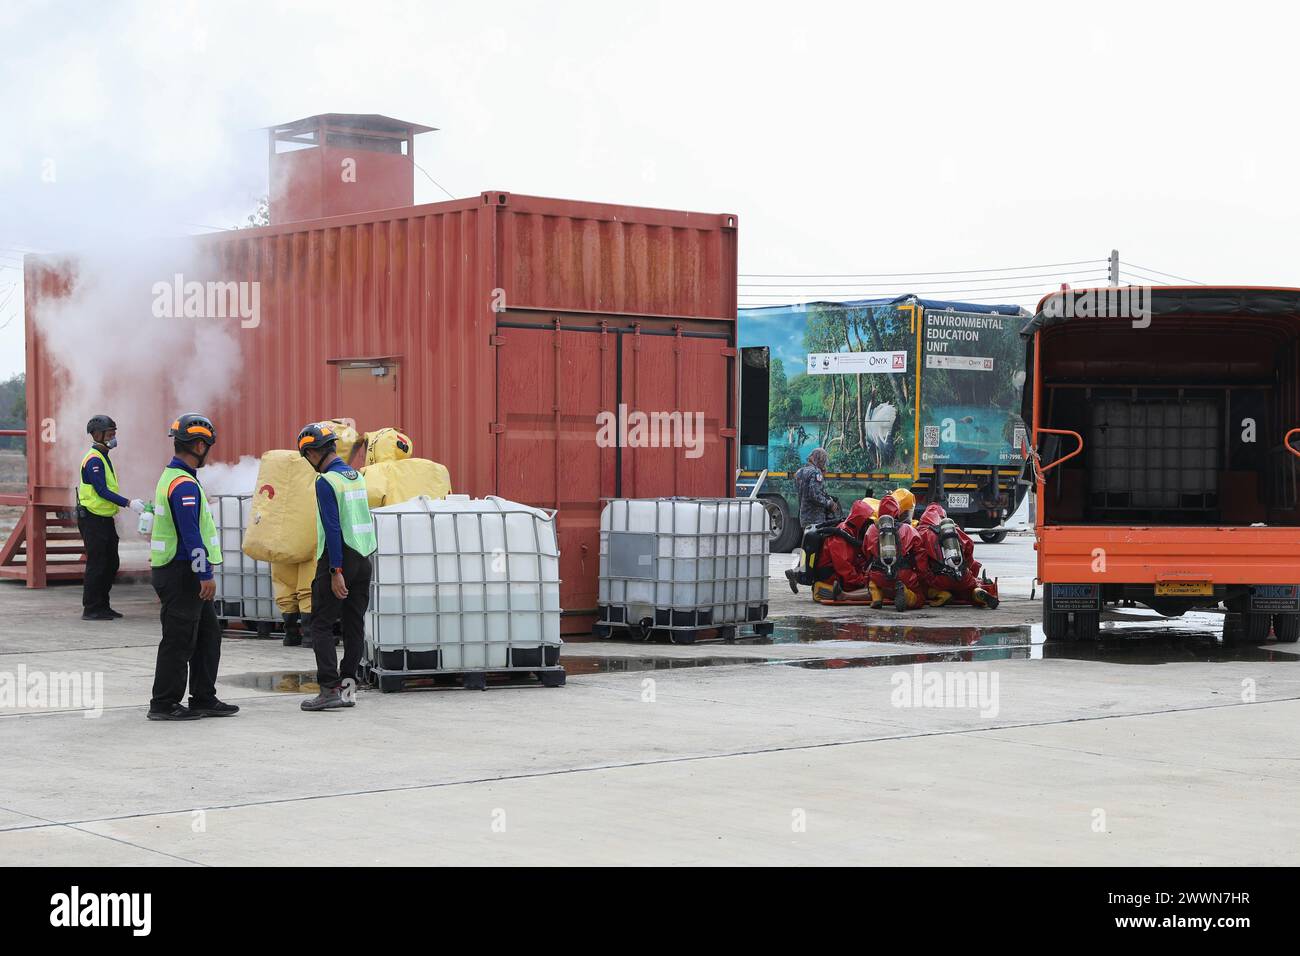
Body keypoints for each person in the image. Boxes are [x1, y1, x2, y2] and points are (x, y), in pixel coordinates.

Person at [147, 413, 239, 721]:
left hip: (182, 570)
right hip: (182, 571)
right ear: (199, 444)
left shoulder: (175, 477)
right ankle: (163, 703)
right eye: (208, 445)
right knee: (179, 639)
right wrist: (206, 574)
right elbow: (191, 535)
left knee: (207, 636)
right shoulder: (183, 484)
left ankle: (203, 697)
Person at [297, 422, 377, 712]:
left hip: (338, 556)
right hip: (364, 555)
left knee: (321, 624)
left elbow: (332, 527)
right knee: (354, 623)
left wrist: (335, 571)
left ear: (312, 452)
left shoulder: (326, 481)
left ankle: (329, 688)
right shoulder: (355, 475)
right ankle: (348, 688)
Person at [76, 415, 146, 621]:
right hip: (92, 518)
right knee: (97, 563)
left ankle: (103, 605)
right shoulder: (94, 459)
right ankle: (91, 608)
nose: (113, 437)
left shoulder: (104, 456)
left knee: (111, 563)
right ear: (97, 435)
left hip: (104, 518)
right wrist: (128, 503)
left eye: (114, 433)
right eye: (110, 434)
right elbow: (102, 491)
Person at [915, 503, 1000, 608]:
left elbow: (920, 561)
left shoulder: (921, 532)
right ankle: (977, 592)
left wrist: (927, 577)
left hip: (938, 579)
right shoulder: (955, 530)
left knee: (922, 587)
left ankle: (941, 594)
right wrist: (968, 572)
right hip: (963, 576)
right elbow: (969, 549)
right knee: (968, 590)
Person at [864, 494, 925, 611]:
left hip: (878, 574)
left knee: (872, 580)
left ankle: (876, 596)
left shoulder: (871, 529)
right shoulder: (908, 529)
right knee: (920, 597)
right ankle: (907, 595)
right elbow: (919, 555)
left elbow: (866, 554)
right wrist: (921, 576)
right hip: (903, 574)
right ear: (898, 511)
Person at [811, 499, 875, 603]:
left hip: (839, 575)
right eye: (866, 522)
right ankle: (844, 594)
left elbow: (857, 558)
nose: (868, 526)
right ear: (860, 521)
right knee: (873, 591)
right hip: (832, 577)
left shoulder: (852, 532)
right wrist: (862, 580)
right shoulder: (840, 537)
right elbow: (844, 568)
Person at [794, 447, 840, 528]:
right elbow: (815, 496)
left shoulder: (800, 471)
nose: (824, 464)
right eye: (824, 460)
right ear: (820, 459)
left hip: (804, 517)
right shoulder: (816, 472)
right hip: (815, 519)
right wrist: (830, 503)